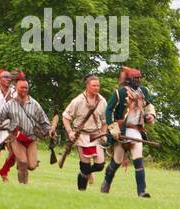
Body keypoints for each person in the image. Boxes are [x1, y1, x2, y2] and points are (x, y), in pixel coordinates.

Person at [102, 67, 157, 197]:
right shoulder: (119, 93)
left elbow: (149, 106)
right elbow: (109, 110)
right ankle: (106, 182)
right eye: (135, 78)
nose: (138, 81)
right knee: (117, 161)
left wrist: (150, 116)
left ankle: (141, 192)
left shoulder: (144, 92)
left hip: (136, 130)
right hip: (121, 131)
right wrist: (112, 127)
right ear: (129, 79)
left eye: (139, 78)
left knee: (138, 160)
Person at [0, 77, 52, 184]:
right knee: (22, 162)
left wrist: (50, 131)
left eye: (26, 88)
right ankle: (23, 186)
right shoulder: (9, 104)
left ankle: (25, 164)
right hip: (16, 138)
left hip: (31, 139)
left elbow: (44, 121)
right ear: (16, 88)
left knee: (31, 166)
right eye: (22, 87)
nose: (24, 90)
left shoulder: (34, 104)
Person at [61, 74, 109, 190]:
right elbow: (66, 117)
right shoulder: (77, 101)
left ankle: (86, 173)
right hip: (82, 135)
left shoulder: (102, 101)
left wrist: (103, 133)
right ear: (87, 86)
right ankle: (81, 192)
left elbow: (105, 121)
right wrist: (70, 132)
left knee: (100, 165)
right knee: (85, 167)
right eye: (94, 85)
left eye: (98, 85)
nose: (96, 88)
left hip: (96, 135)